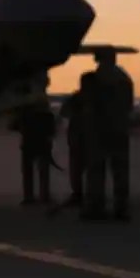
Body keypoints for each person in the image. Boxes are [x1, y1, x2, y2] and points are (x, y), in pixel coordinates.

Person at [82, 48, 135, 221]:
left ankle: (96, 208)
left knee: (96, 170)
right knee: (120, 170)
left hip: (100, 129)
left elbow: (88, 105)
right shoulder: (124, 79)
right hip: (119, 129)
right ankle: (121, 208)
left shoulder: (94, 79)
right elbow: (128, 105)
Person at [11, 99, 56, 205]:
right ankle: (44, 196)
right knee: (43, 172)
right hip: (42, 145)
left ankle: (29, 196)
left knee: (28, 172)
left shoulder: (25, 114)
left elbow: (14, 126)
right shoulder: (47, 115)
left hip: (29, 144)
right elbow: (51, 132)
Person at [58, 75, 94, 207]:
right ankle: (88, 194)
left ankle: (78, 194)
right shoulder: (93, 98)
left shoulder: (76, 98)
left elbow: (64, 112)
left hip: (78, 136)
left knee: (77, 168)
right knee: (89, 167)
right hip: (87, 136)